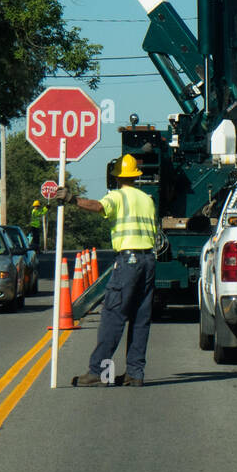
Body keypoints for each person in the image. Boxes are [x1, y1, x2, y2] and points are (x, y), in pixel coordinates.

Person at [54, 154, 159, 388]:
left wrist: (72, 199)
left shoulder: (117, 196)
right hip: (148, 260)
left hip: (128, 261)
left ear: (117, 177)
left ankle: (98, 371)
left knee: (113, 315)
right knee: (140, 319)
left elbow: (99, 206)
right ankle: (135, 374)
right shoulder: (147, 199)